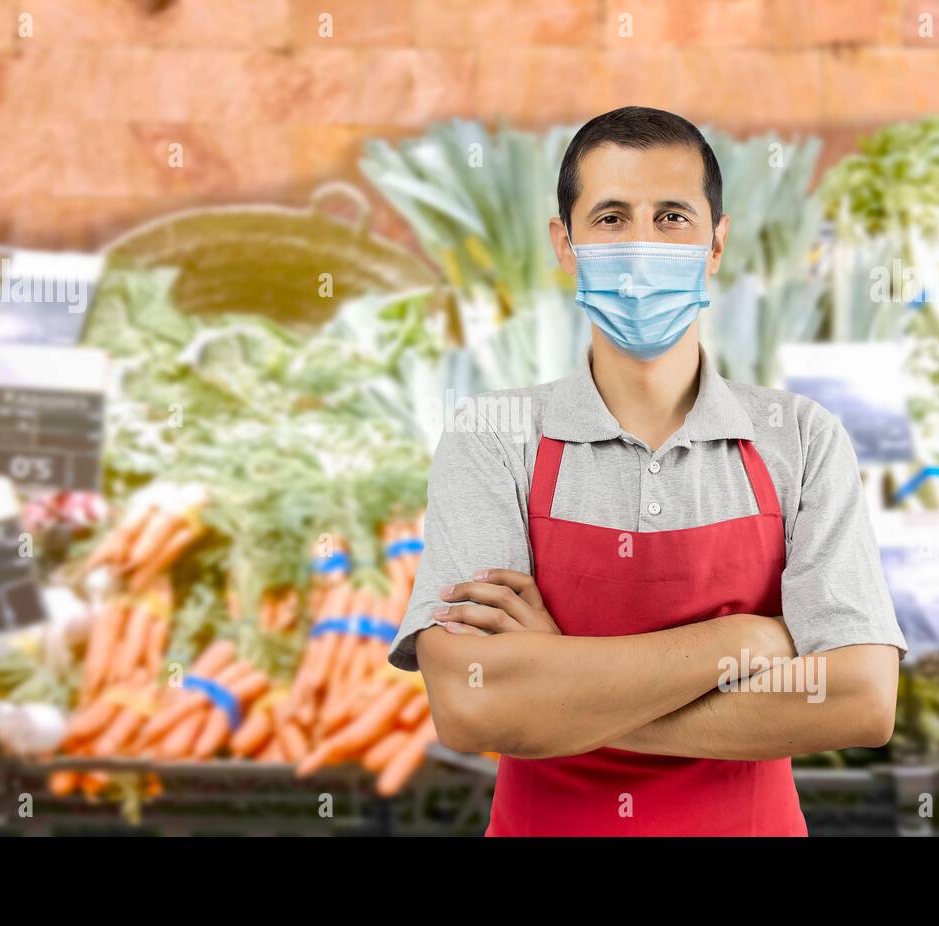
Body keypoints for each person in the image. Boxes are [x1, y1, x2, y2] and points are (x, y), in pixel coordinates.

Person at [386, 106, 908, 836]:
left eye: (671, 218)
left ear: (716, 244)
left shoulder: (801, 438)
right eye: (610, 218)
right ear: (564, 245)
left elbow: (859, 700)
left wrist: (556, 688)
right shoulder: (493, 437)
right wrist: (745, 643)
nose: (641, 245)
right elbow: (472, 707)